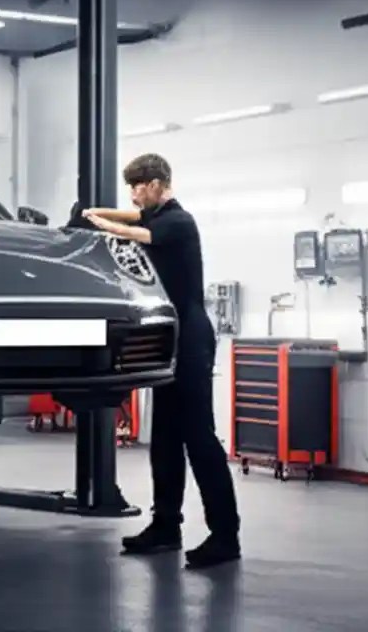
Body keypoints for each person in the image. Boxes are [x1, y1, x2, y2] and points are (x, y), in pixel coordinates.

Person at [81, 153, 241, 570]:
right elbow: (130, 216)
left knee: (199, 437)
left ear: (157, 184)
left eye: (138, 187)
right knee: (165, 437)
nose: (134, 195)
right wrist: (92, 211)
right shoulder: (154, 214)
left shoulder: (178, 222)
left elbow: (132, 231)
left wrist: (99, 223)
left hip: (192, 339)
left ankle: (226, 535)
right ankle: (166, 526)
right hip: (170, 338)